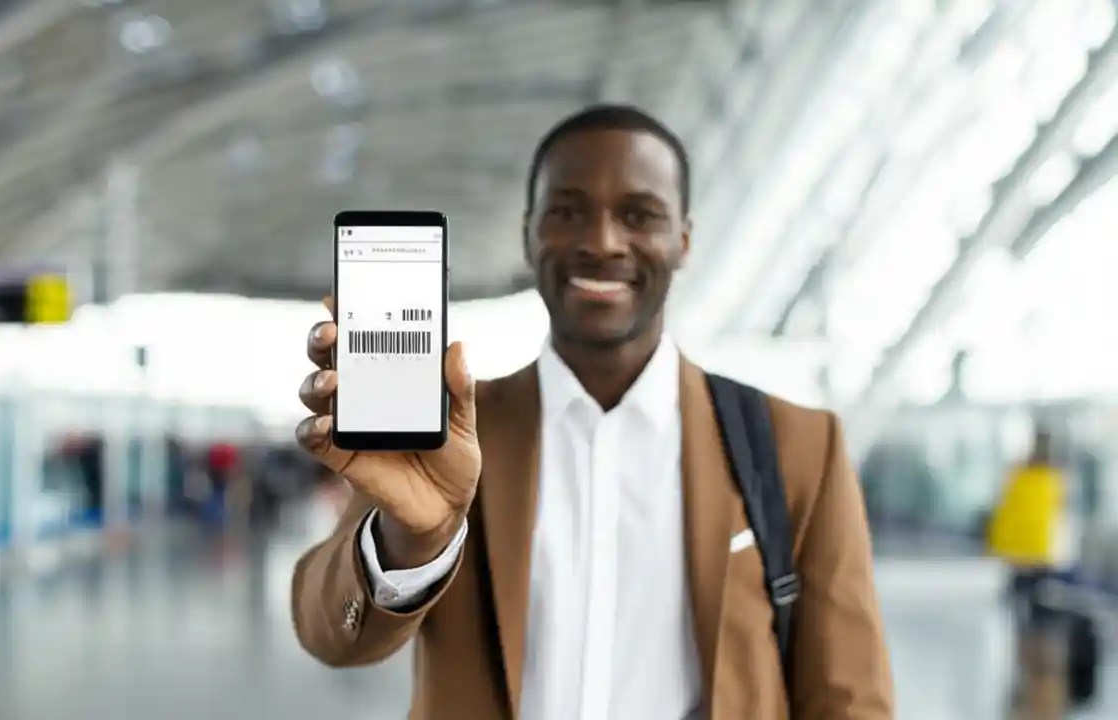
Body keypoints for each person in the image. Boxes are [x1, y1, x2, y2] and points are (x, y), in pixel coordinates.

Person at [291, 105, 893, 719]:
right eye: (568, 212)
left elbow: (849, 699)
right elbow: (329, 632)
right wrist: (414, 538)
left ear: (683, 240)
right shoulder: (454, 438)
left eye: (639, 214)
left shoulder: (795, 447)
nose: (602, 242)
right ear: (529, 235)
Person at [988, 426, 1073, 719]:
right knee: (1044, 621)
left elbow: (1006, 516)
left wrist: (1001, 548)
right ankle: (1042, 673)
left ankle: (1026, 671)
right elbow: (1059, 522)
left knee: (1023, 619)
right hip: (1044, 560)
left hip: (1022, 560)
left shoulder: (1021, 477)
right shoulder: (1055, 479)